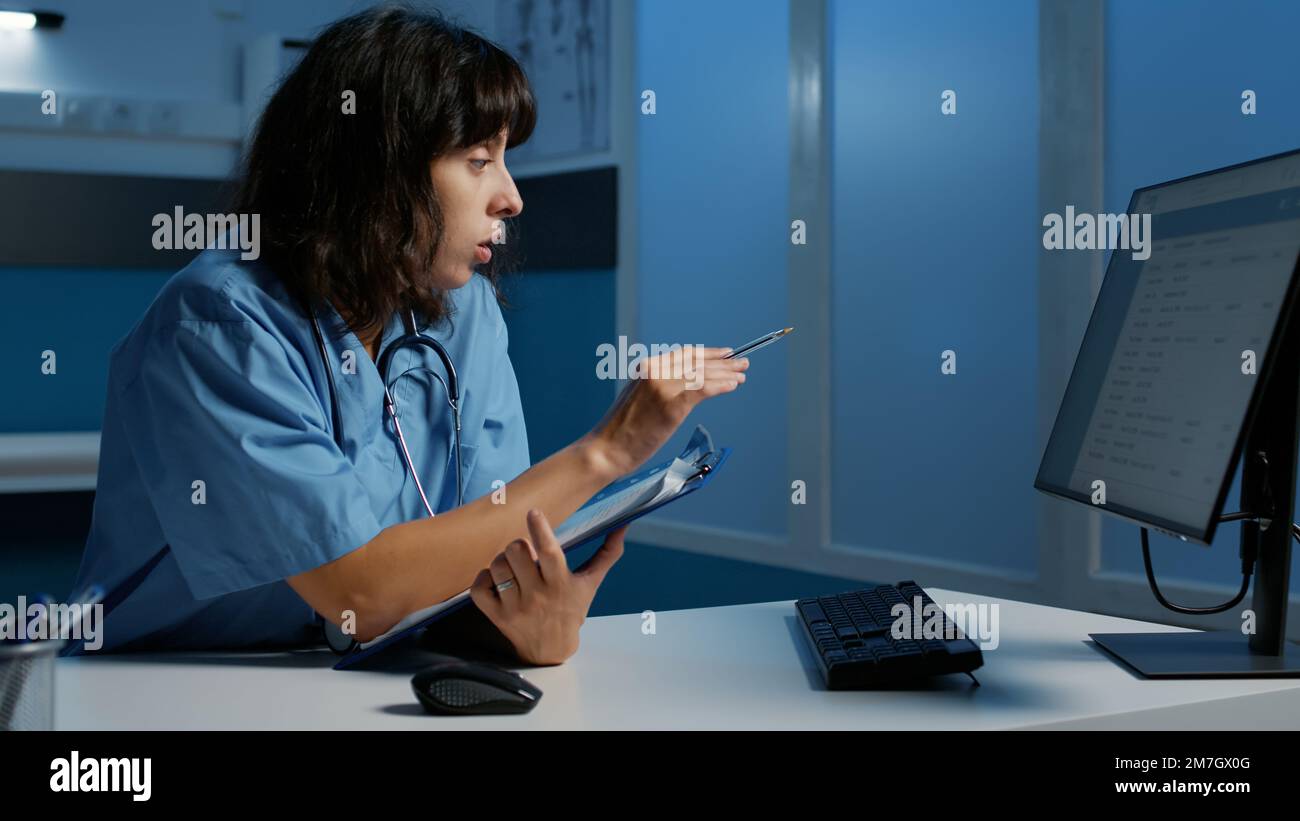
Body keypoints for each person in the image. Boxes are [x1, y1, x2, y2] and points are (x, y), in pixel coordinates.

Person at [67, 6, 749, 665]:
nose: (511, 195)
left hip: (353, 679)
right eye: (480, 160)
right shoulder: (218, 322)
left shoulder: (463, 312)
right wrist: (607, 452)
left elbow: (490, 549)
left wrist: (538, 627)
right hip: (164, 687)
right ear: (377, 170)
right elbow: (358, 589)